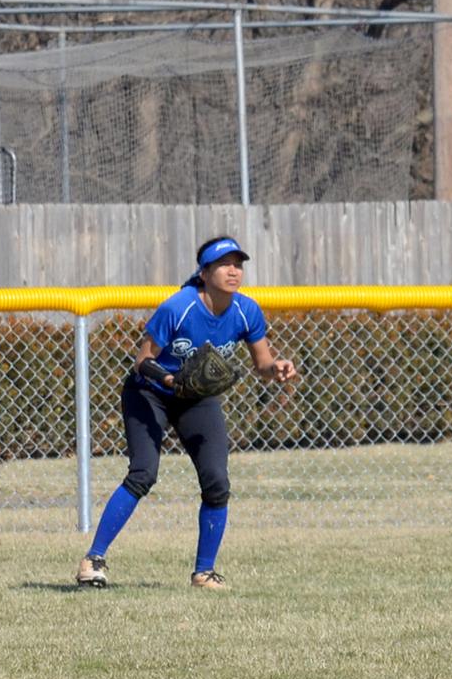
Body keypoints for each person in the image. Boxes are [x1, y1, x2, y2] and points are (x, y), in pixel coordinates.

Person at [75, 235, 297, 591]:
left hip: (195, 397)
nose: (233, 271)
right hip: (150, 393)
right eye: (223, 265)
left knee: (217, 481)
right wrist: (168, 378)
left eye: (238, 264)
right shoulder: (179, 307)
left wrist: (277, 368)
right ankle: (93, 559)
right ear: (204, 273)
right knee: (143, 473)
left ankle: (204, 572)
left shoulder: (246, 311)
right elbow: (142, 360)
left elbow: (263, 363)